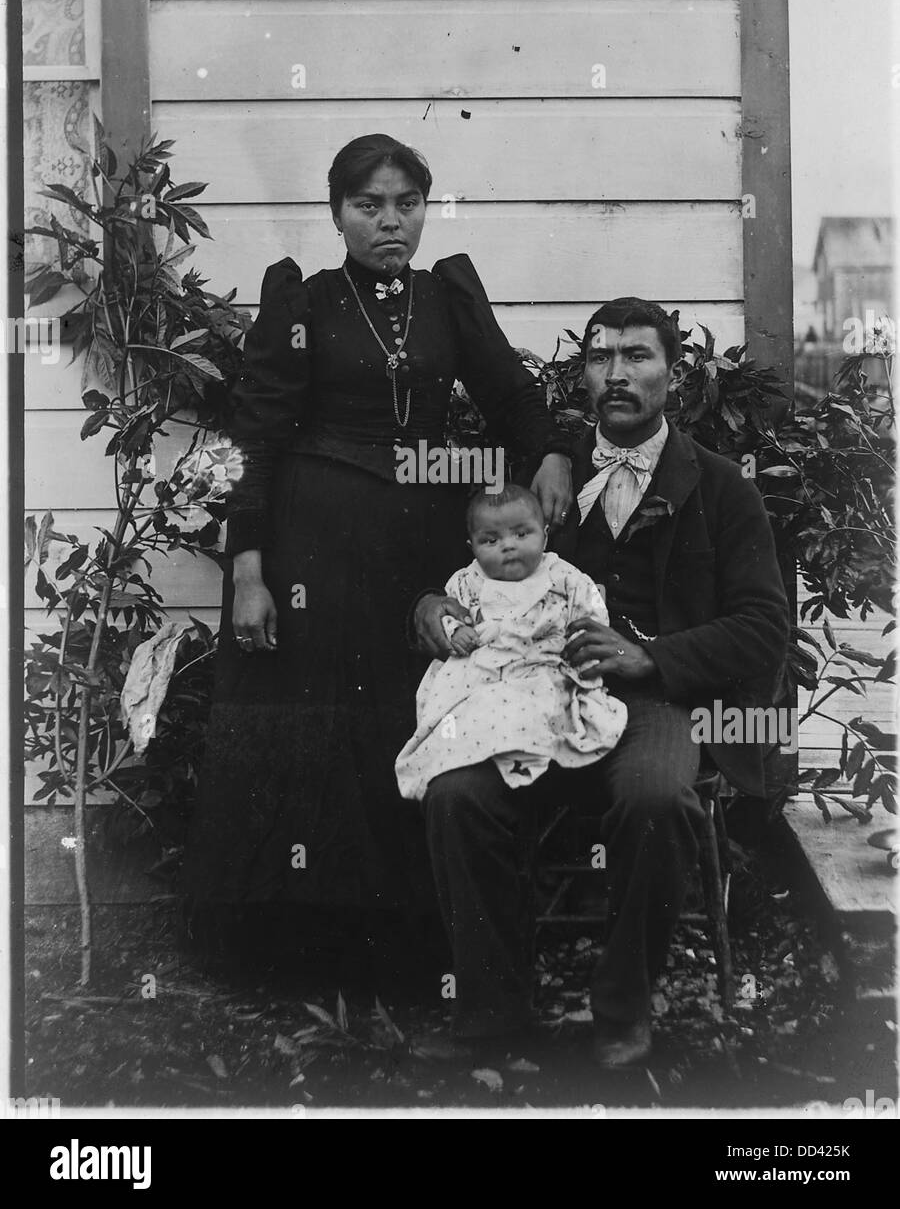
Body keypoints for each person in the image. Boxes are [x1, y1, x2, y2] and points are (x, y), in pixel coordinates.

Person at [179, 134, 573, 985]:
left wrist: (547, 452)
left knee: (400, 722)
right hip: (308, 538)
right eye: (369, 206)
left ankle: (402, 953)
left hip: (414, 544)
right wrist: (248, 571)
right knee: (305, 731)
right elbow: (256, 439)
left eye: (406, 204)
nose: (390, 222)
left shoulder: (447, 299)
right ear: (337, 214)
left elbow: (509, 392)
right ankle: (283, 954)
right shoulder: (303, 300)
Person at [413, 297, 790, 1065]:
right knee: (456, 795)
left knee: (656, 796)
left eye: (638, 356)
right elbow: (462, 578)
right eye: (599, 358)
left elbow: (763, 629)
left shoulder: (722, 488)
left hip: (658, 701)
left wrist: (654, 658)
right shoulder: (540, 484)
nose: (616, 373)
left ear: (675, 375)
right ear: (582, 375)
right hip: (532, 697)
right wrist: (428, 606)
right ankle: (491, 1012)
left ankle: (622, 1007)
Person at [395, 484, 628, 799]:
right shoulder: (468, 580)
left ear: (544, 535)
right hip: (479, 671)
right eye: (491, 540)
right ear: (472, 546)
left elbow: (591, 616)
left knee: (537, 704)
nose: (508, 546)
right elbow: (453, 612)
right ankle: (471, 753)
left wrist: (577, 640)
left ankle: (522, 755)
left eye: (522, 535)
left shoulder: (563, 576)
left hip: (540, 665)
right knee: (457, 712)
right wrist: (455, 631)